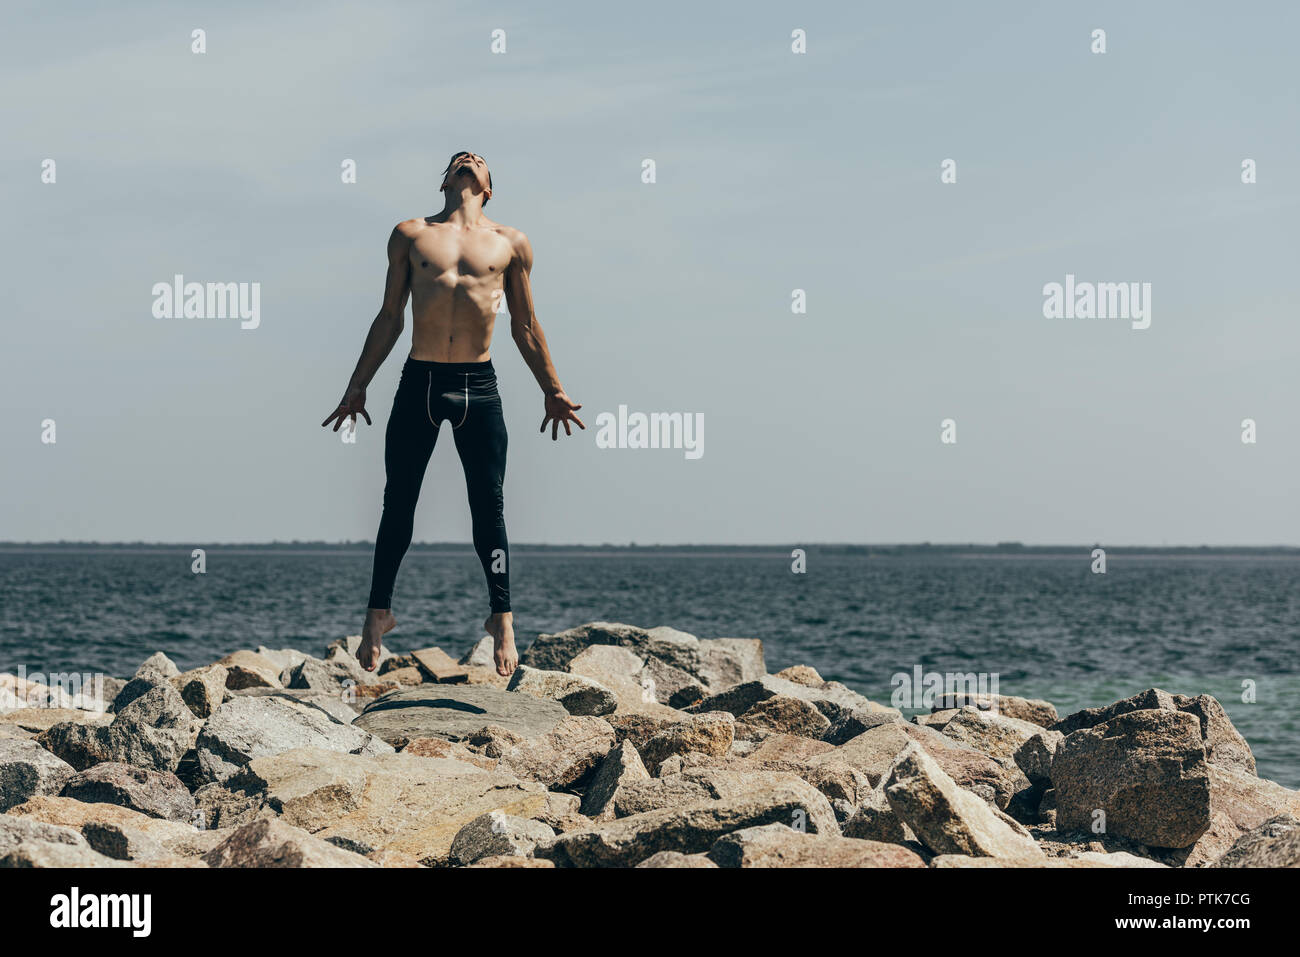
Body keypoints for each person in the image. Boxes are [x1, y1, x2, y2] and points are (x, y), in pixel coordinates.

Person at [321, 151, 584, 676]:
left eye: (479, 161)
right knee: (399, 502)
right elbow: (390, 316)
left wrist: (552, 390)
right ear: (445, 180)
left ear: (488, 187)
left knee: (489, 507)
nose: (468, 160)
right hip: (419, 380)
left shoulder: (510, 243)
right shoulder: (411, 235)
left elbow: (525, 326)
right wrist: (357, 386)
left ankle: (502, 618)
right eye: (458, 160)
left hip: (477, 386)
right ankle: (378, 615)